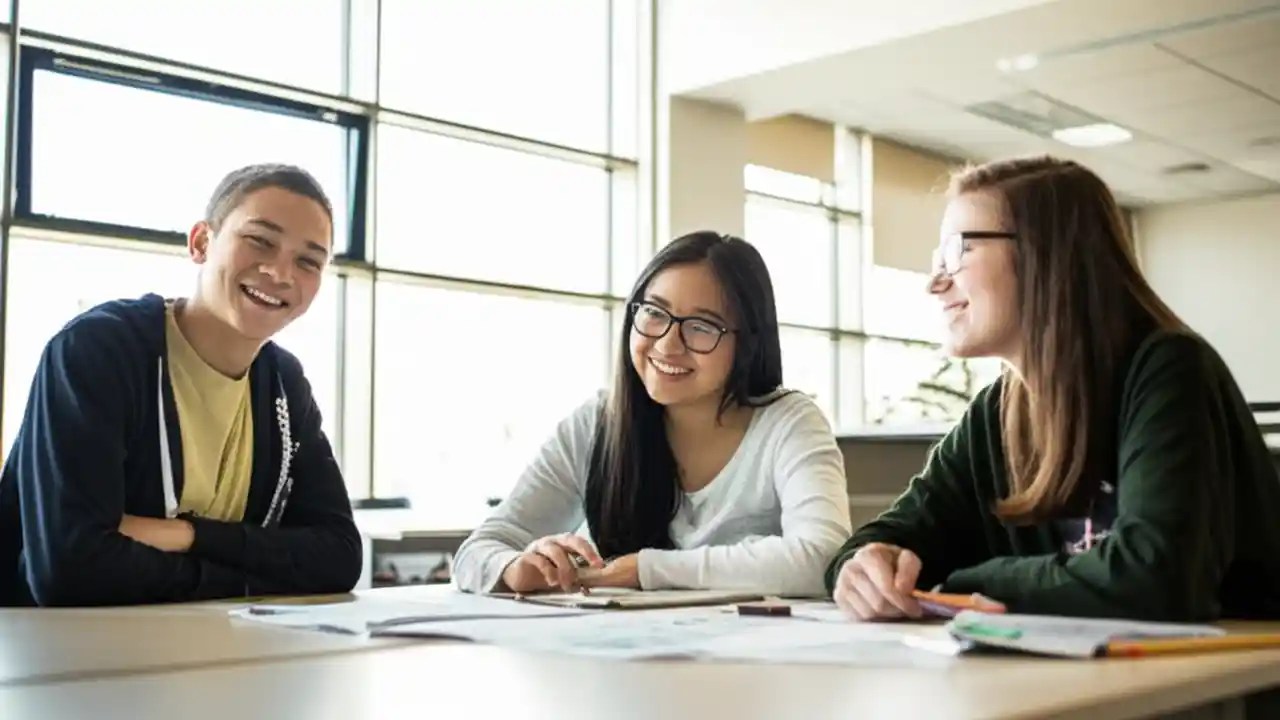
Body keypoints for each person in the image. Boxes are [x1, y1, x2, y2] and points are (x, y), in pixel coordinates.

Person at [826, 155, 1280, 622]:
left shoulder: (1168, 369)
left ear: (1044, 254)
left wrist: (972, 582)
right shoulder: (996, 413)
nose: (935, 282)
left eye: (958, 250)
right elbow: (889, 540)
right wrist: (863, 569)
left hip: (1234, 682)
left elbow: (1155, 578)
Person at [0, 164, 362, 606]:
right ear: (201, 242)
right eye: (260, 241)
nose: (281, 273)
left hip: (210, 655)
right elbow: (71, 569)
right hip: (55, 661)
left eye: (308, 261)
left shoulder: (284, 385)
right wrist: (253, 578)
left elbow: (340, 556)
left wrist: (185, 535)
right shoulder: (100, 351)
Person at [452, 231, 851, 597]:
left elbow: (822, 558)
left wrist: (644, 569)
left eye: (701, 326)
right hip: (617, 664)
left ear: (748, 343)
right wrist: (514, 568)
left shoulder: (789, 422)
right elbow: (476, 553)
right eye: (654, 313)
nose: (667, 344)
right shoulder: (597, 424)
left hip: (748, 668)